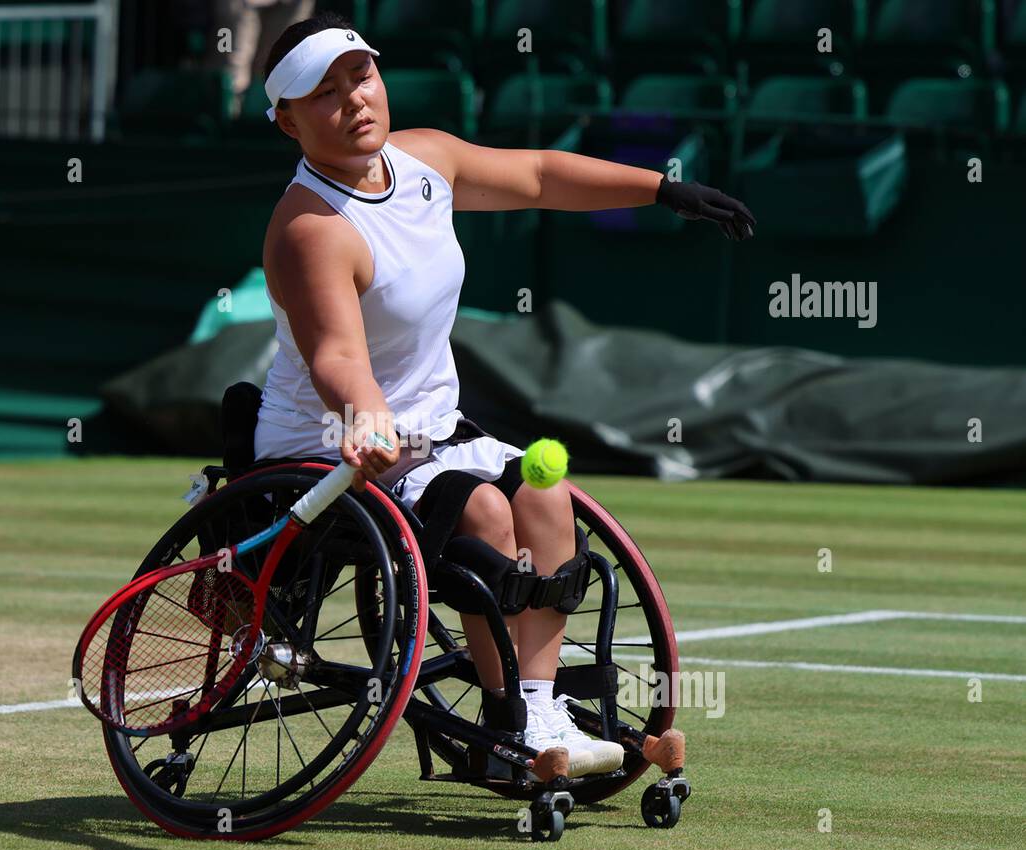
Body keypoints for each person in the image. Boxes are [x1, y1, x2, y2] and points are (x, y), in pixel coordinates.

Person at [253, 13, 748, 779]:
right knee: (484, 510)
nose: (354, 100)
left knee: (546, 495)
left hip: (433, 431)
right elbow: (338, 354)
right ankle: (506, 722)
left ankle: (539, 706)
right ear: (287, 120)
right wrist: (366, 414)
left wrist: (662, 189)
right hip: (330, 449)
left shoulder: (425, 160)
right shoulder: (310, 228)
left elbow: (541, 176)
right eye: (324, 94)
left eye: (362, 77)